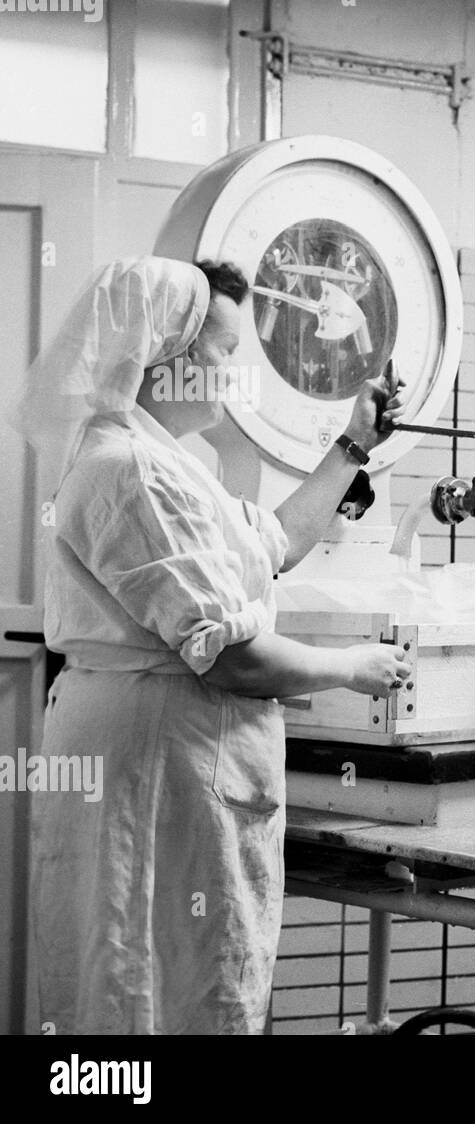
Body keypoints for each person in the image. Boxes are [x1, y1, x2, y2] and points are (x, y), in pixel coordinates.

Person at [8, 256, 415, 1034]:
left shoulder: (168, 463)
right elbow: (234, 656)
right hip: (157, 762)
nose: (233, 374)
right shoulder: (129, 470)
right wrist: (351, 667)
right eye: (222, 354)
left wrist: (353, 444)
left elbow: (275, 547)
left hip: (169, 755)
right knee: (147, 978)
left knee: (164, 971)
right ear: (159, 354)